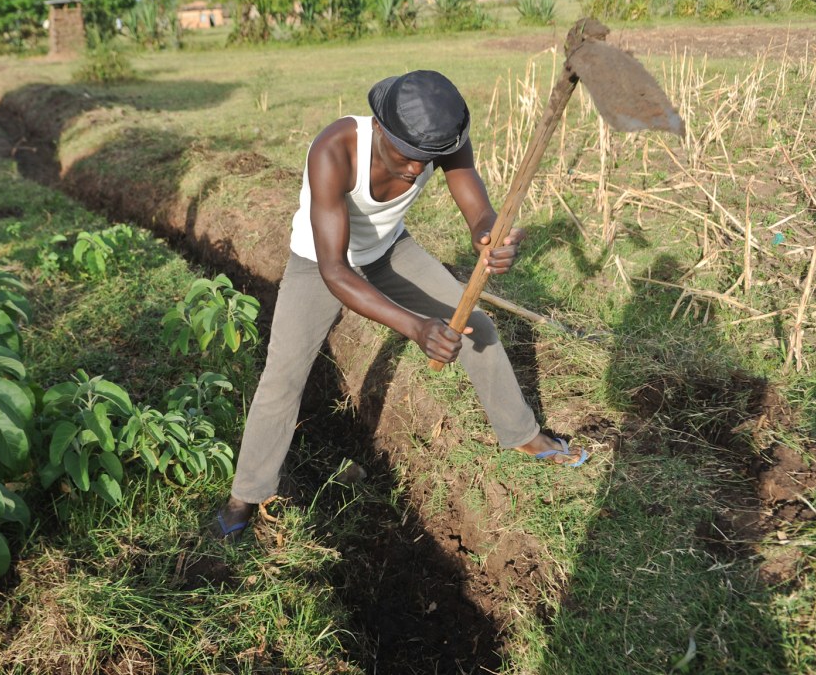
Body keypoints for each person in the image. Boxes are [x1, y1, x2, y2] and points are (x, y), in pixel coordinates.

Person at [214, 70, 587, 540]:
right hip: (320, 262)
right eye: (405, 157)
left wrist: (487, 235)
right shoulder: (334, 150)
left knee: (477, 327)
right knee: (282, 379)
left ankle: (524, 436)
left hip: (390, 251)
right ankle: (244, 495)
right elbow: (336, 272)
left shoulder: (441, 135)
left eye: (425, 160)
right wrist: (416, 327)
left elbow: (469, 190)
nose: (415, 170)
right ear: (379, 128)